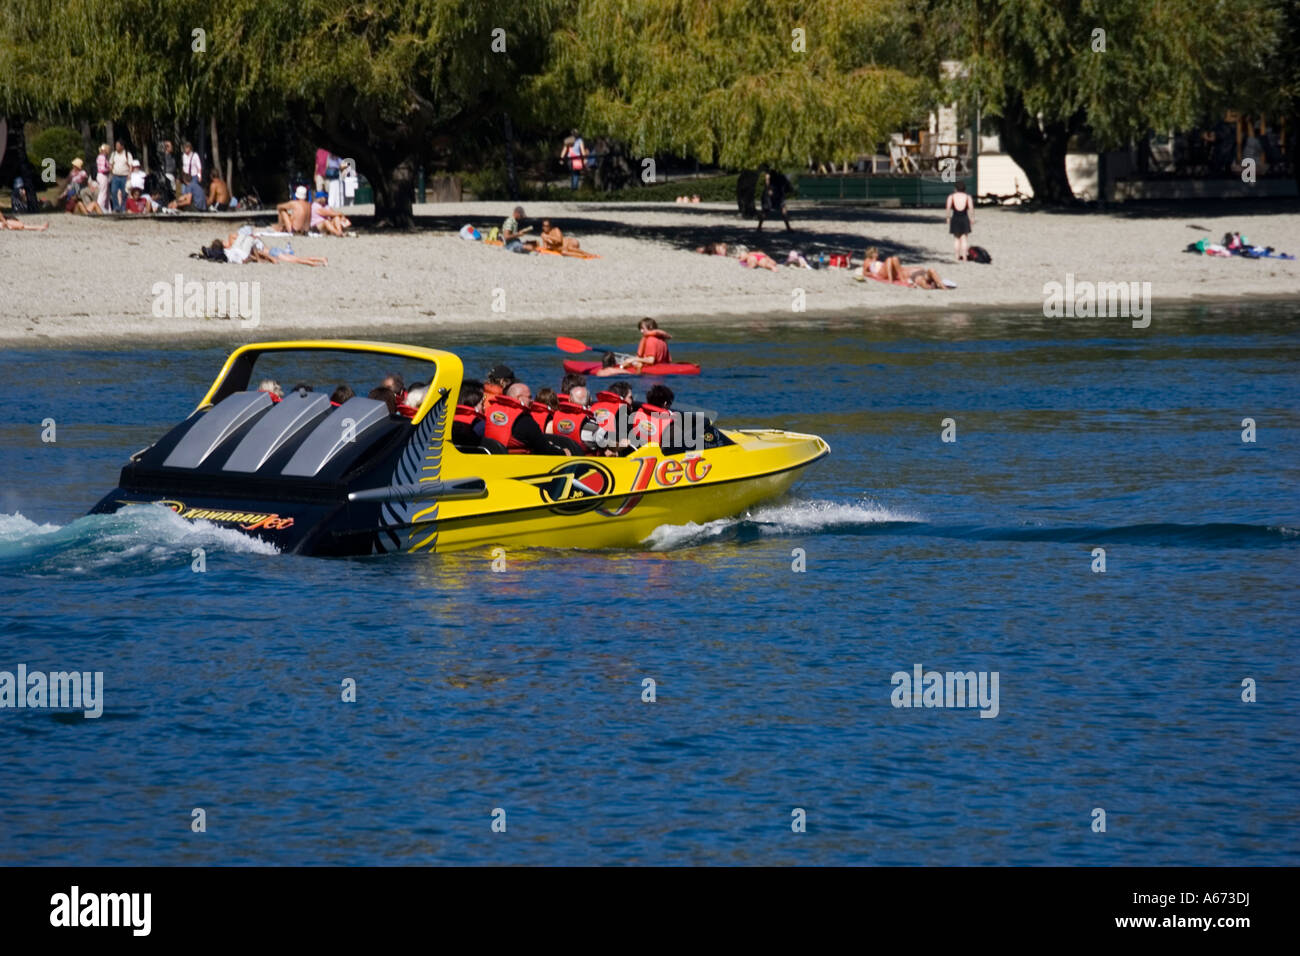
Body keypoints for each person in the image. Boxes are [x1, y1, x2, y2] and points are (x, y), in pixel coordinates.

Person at [483, 382, 568, 454]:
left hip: (491, 460)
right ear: (519, 398)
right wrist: (563, 452)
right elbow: (545, 449)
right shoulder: (525, 420)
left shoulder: (489, 411)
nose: (532, 401)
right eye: (529, 397)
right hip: (517, 465)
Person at [547, 386, 598, 452]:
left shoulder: (552, 422)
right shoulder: (592, 427)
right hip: (583, 460)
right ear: (589, 401)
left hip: (560, 458)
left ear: (569, 400)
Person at [589, 382, 633, 448]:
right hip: (613, 450)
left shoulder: (594, 407)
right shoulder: (623, 415)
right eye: (630, 397)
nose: (632, 400)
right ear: (622, 399)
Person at [452, 379, 487, 448]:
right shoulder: (481, 426)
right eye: (482, 403)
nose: (484, 407)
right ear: (473, 402)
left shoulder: (445, 419)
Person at [945, 180, 973, 261]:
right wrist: (972, 218)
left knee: (956, 238)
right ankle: (964, 256)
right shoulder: (968, 197)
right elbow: (971, 209)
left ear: (956, 188)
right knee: (964, 238)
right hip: (964, 218)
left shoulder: (951, 197)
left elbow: (948, 208)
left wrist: (947, 217)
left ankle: (957, 256)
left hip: (955, 218)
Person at [108, 140, 132, 212]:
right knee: (113, 191)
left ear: (122, 146)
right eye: (116, 145)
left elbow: (130, 165)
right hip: (115, 176)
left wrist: (129, 174)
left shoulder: (127, 154)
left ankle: (123, 207)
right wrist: (111, 170)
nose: (116, 147)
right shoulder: (114, 154)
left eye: (118, 146)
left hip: (124, 176)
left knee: (124, 193)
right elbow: (111, 163)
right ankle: (116, 207)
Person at [94, 144, 112, 213]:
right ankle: (100, 208)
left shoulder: (102, 157)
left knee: (106, 193)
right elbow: (101, 169)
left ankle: (107, 209)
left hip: (103, 176)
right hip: (102, 175)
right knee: (103, 193)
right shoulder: (102, 157)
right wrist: (109, 169)